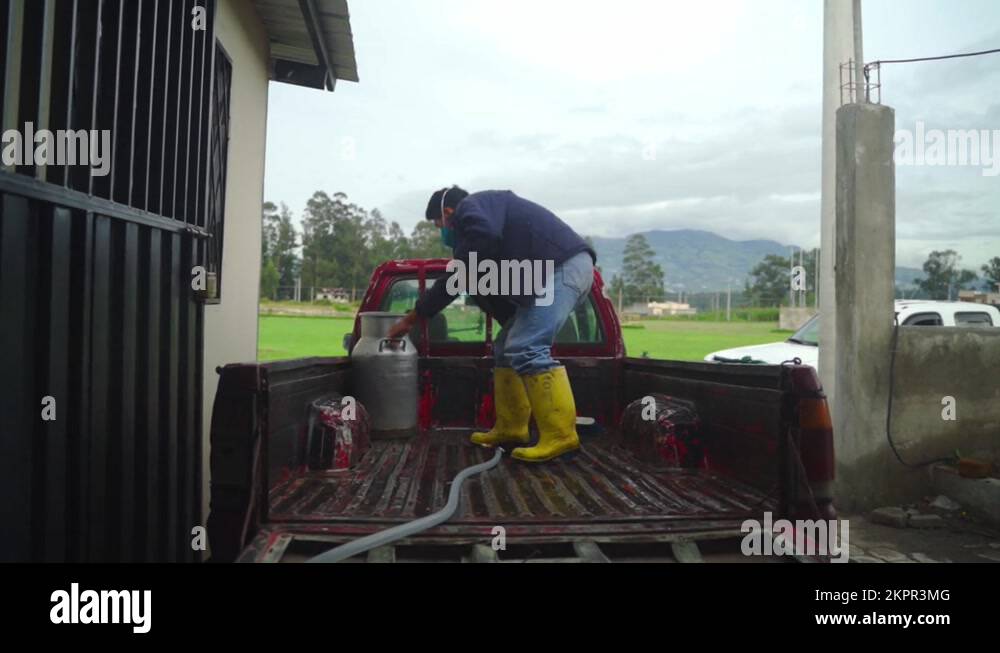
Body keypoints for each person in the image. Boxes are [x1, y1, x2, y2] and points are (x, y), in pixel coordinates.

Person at [387, 186, 596, 463]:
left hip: (562, 269)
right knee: (506, 348)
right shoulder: (492, 223)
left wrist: (411, 319)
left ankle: (561, 436)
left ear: (448, 213)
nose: (442, 232)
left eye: (439, 225)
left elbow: (469, 260)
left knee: (527, 346)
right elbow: (477, 280)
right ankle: (512, 429)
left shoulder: (472, 207)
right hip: (555, 271)